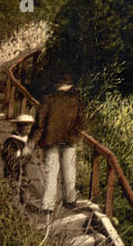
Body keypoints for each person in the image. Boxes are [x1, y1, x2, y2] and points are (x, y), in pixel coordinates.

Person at [22, 76, 86, 214]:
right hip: (69, 140)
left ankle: (48, 206)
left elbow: (39, 125)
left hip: (50, 141)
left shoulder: (48, 99)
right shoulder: (76, 101)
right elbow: (81, 122)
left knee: (51, 172)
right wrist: (75, 135)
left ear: (58, 84)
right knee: (69, 171)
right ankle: (70, 201)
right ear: (69, 86)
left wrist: (31, 143)